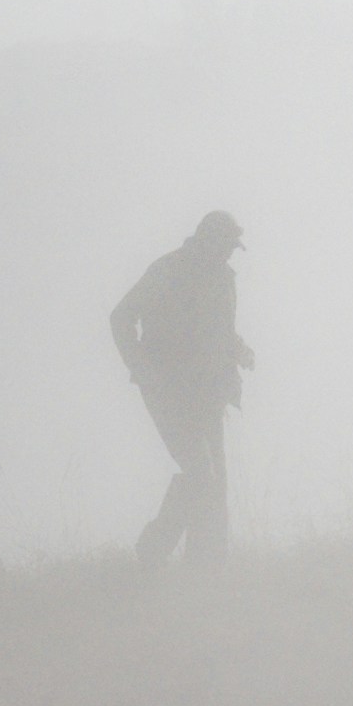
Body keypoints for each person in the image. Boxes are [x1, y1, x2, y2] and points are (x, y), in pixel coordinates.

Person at [110, 211, 254, 567]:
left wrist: (239, 348)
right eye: (226, 246)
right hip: (169, 391)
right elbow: (121, 316)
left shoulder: (221, 276)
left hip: (209, 392)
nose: (230, 255)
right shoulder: (168, 270)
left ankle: (203, 572)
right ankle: (152, 551)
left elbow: (215, 328)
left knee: (213, 483)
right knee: (202, 475)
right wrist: (141, 367)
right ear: (208, 239)